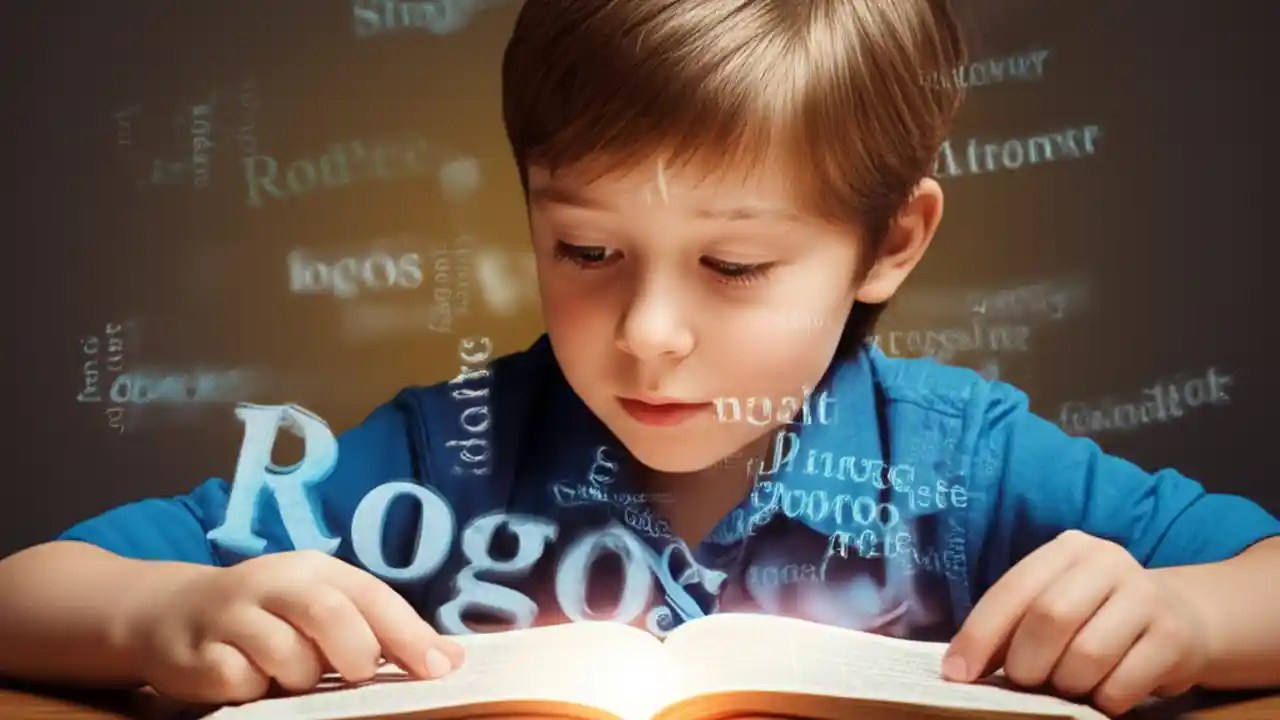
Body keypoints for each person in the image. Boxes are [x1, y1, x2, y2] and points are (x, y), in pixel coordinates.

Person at [2, 0, 1278, 716]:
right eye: (587, 251)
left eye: (732, 267)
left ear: (888, 243)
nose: (648, 333)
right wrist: (156, 611)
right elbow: (26, 591)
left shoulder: (961, 456)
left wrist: (1183, 615)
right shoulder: (441, 448)